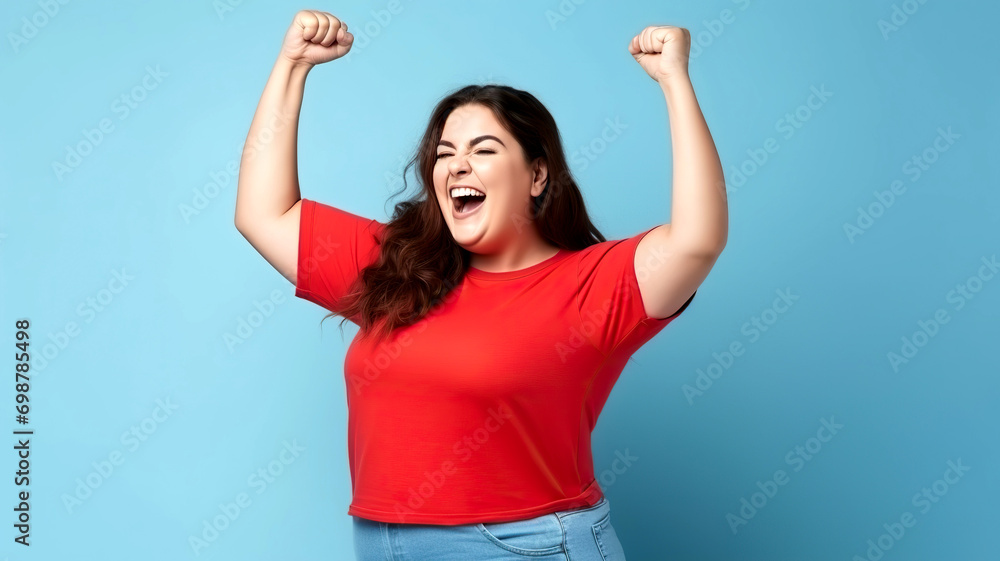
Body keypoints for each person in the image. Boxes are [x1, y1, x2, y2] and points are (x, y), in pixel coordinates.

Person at [235, 9, 727, 561]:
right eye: (445, 154)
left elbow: (697, 240)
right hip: (381, 544)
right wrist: (293, 65)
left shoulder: (591, 283)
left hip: (526, 547)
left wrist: (675, 81)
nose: (456, 166)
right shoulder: (398, 267)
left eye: (484, 150)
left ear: (537, 175)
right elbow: (263, 212)